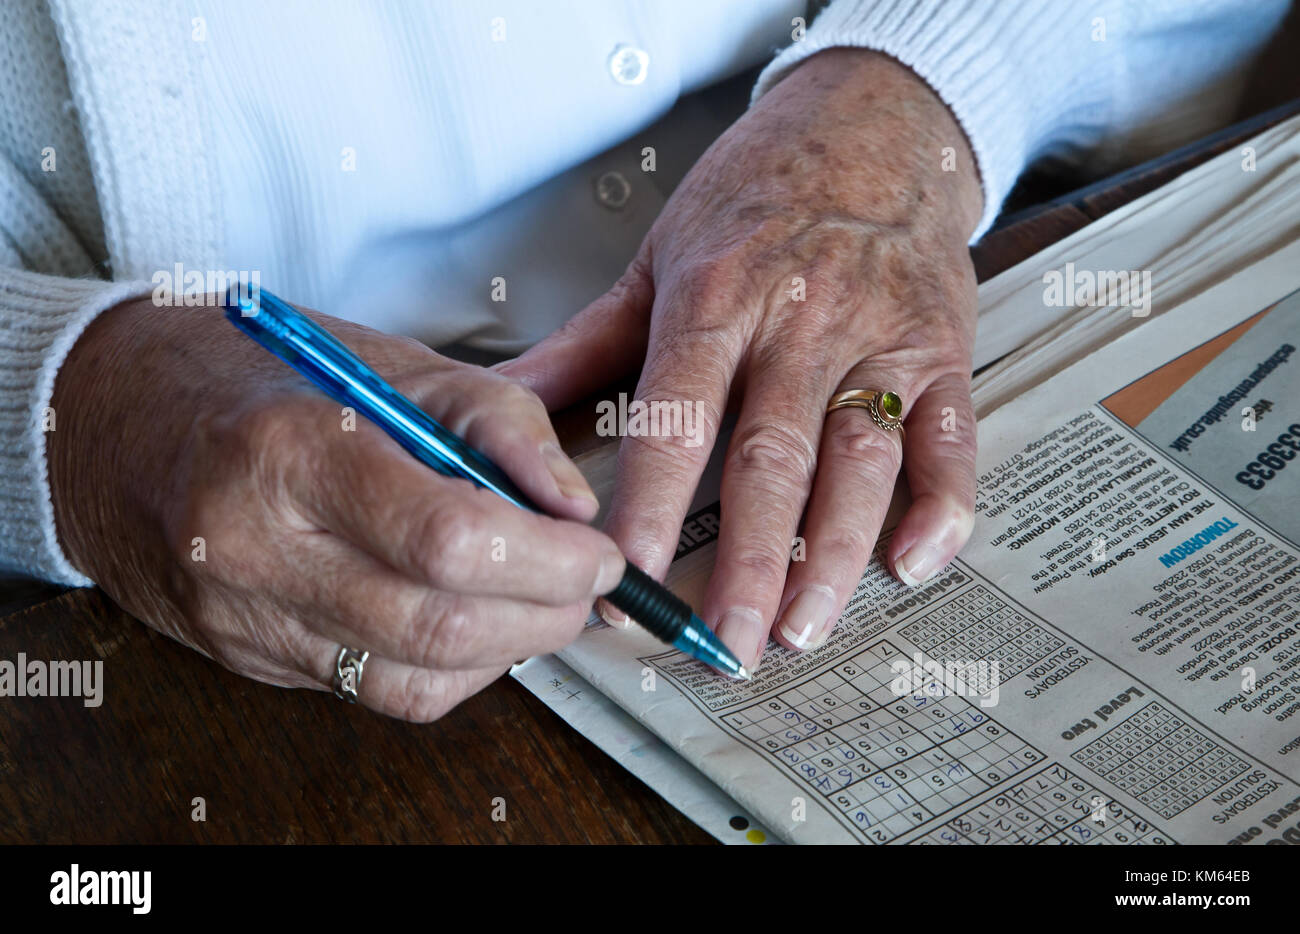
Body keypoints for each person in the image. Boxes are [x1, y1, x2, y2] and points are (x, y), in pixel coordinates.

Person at [0, 0, 1290, 719]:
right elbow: (79, 405)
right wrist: (80, 406)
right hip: (216, 541)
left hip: (937, 247)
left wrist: (917, 94)